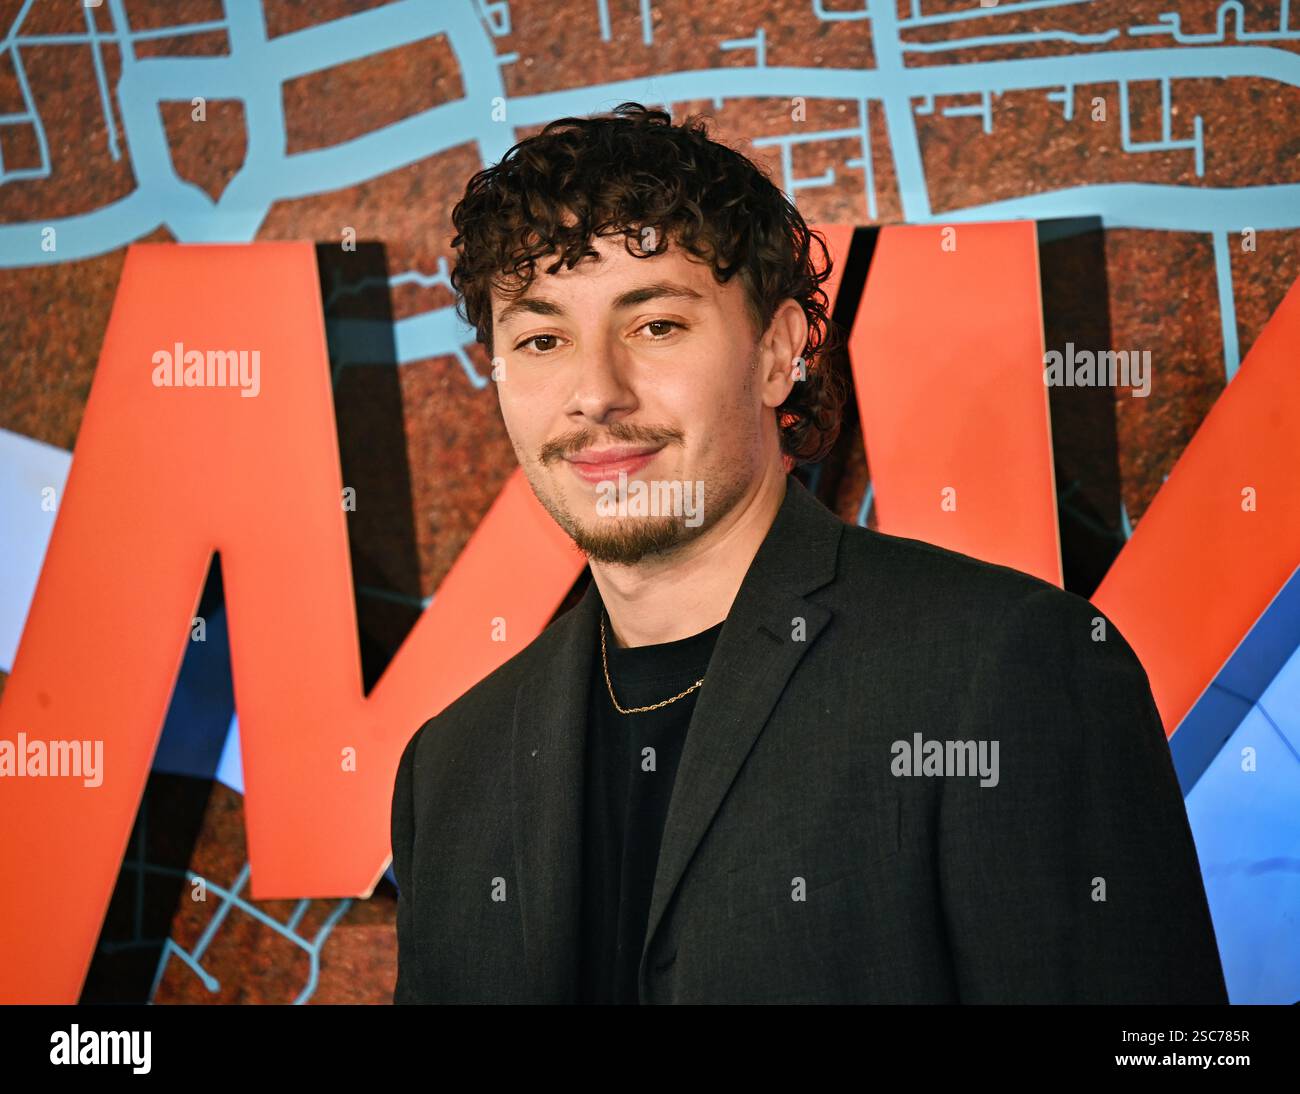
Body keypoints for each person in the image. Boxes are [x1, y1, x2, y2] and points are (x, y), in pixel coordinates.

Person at [390, 102, 1228, 1004]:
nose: (596, 393)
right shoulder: (450, 767)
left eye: (656, 325)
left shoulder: (1009, 668)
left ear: (779, 353)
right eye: (543, 339)